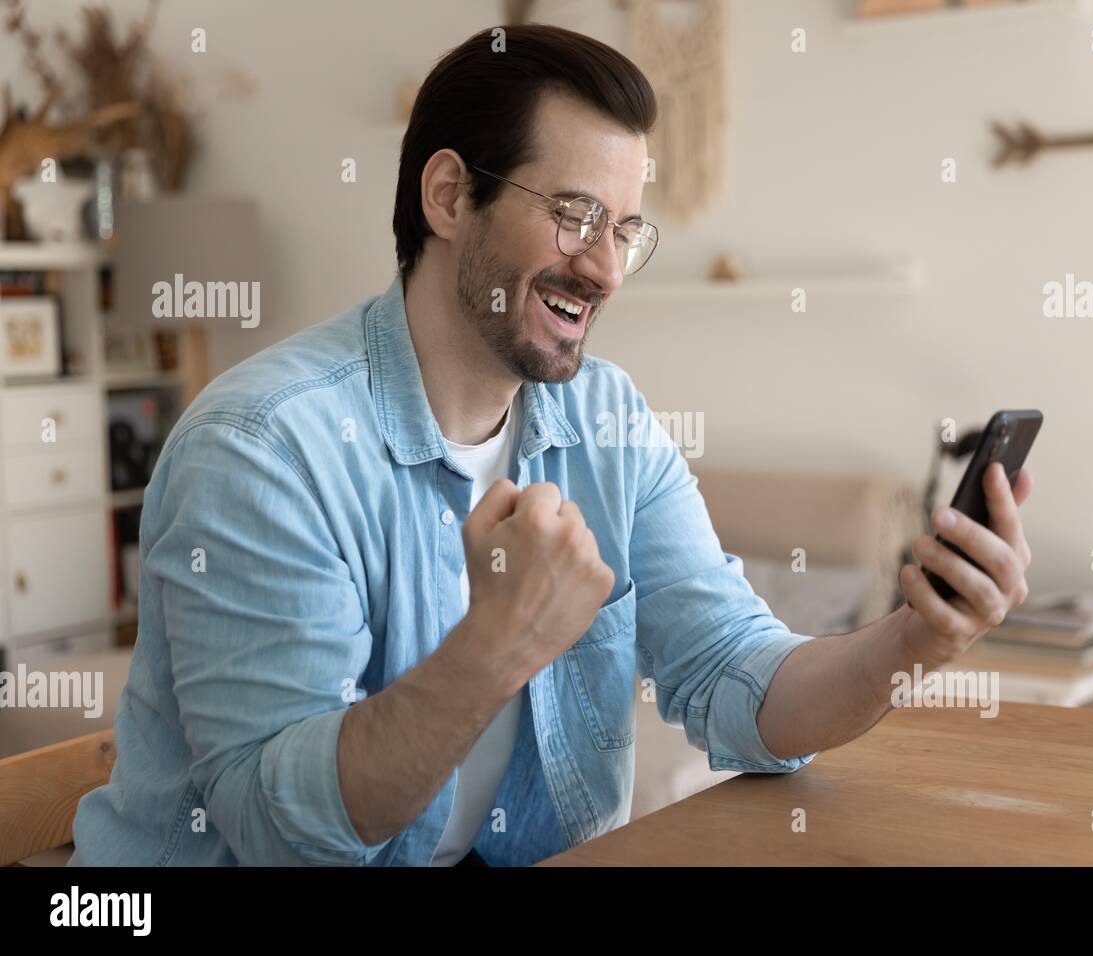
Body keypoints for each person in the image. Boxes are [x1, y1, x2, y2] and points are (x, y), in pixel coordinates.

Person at [71, 23, 1032, 867]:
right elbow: (283, 838)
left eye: (624, 230)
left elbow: (735, 678)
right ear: (448, 196)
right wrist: (496, 643)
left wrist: (916, 638)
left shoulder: (608, 422)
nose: (606, 267)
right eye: (574, 215)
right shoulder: (263, 450)